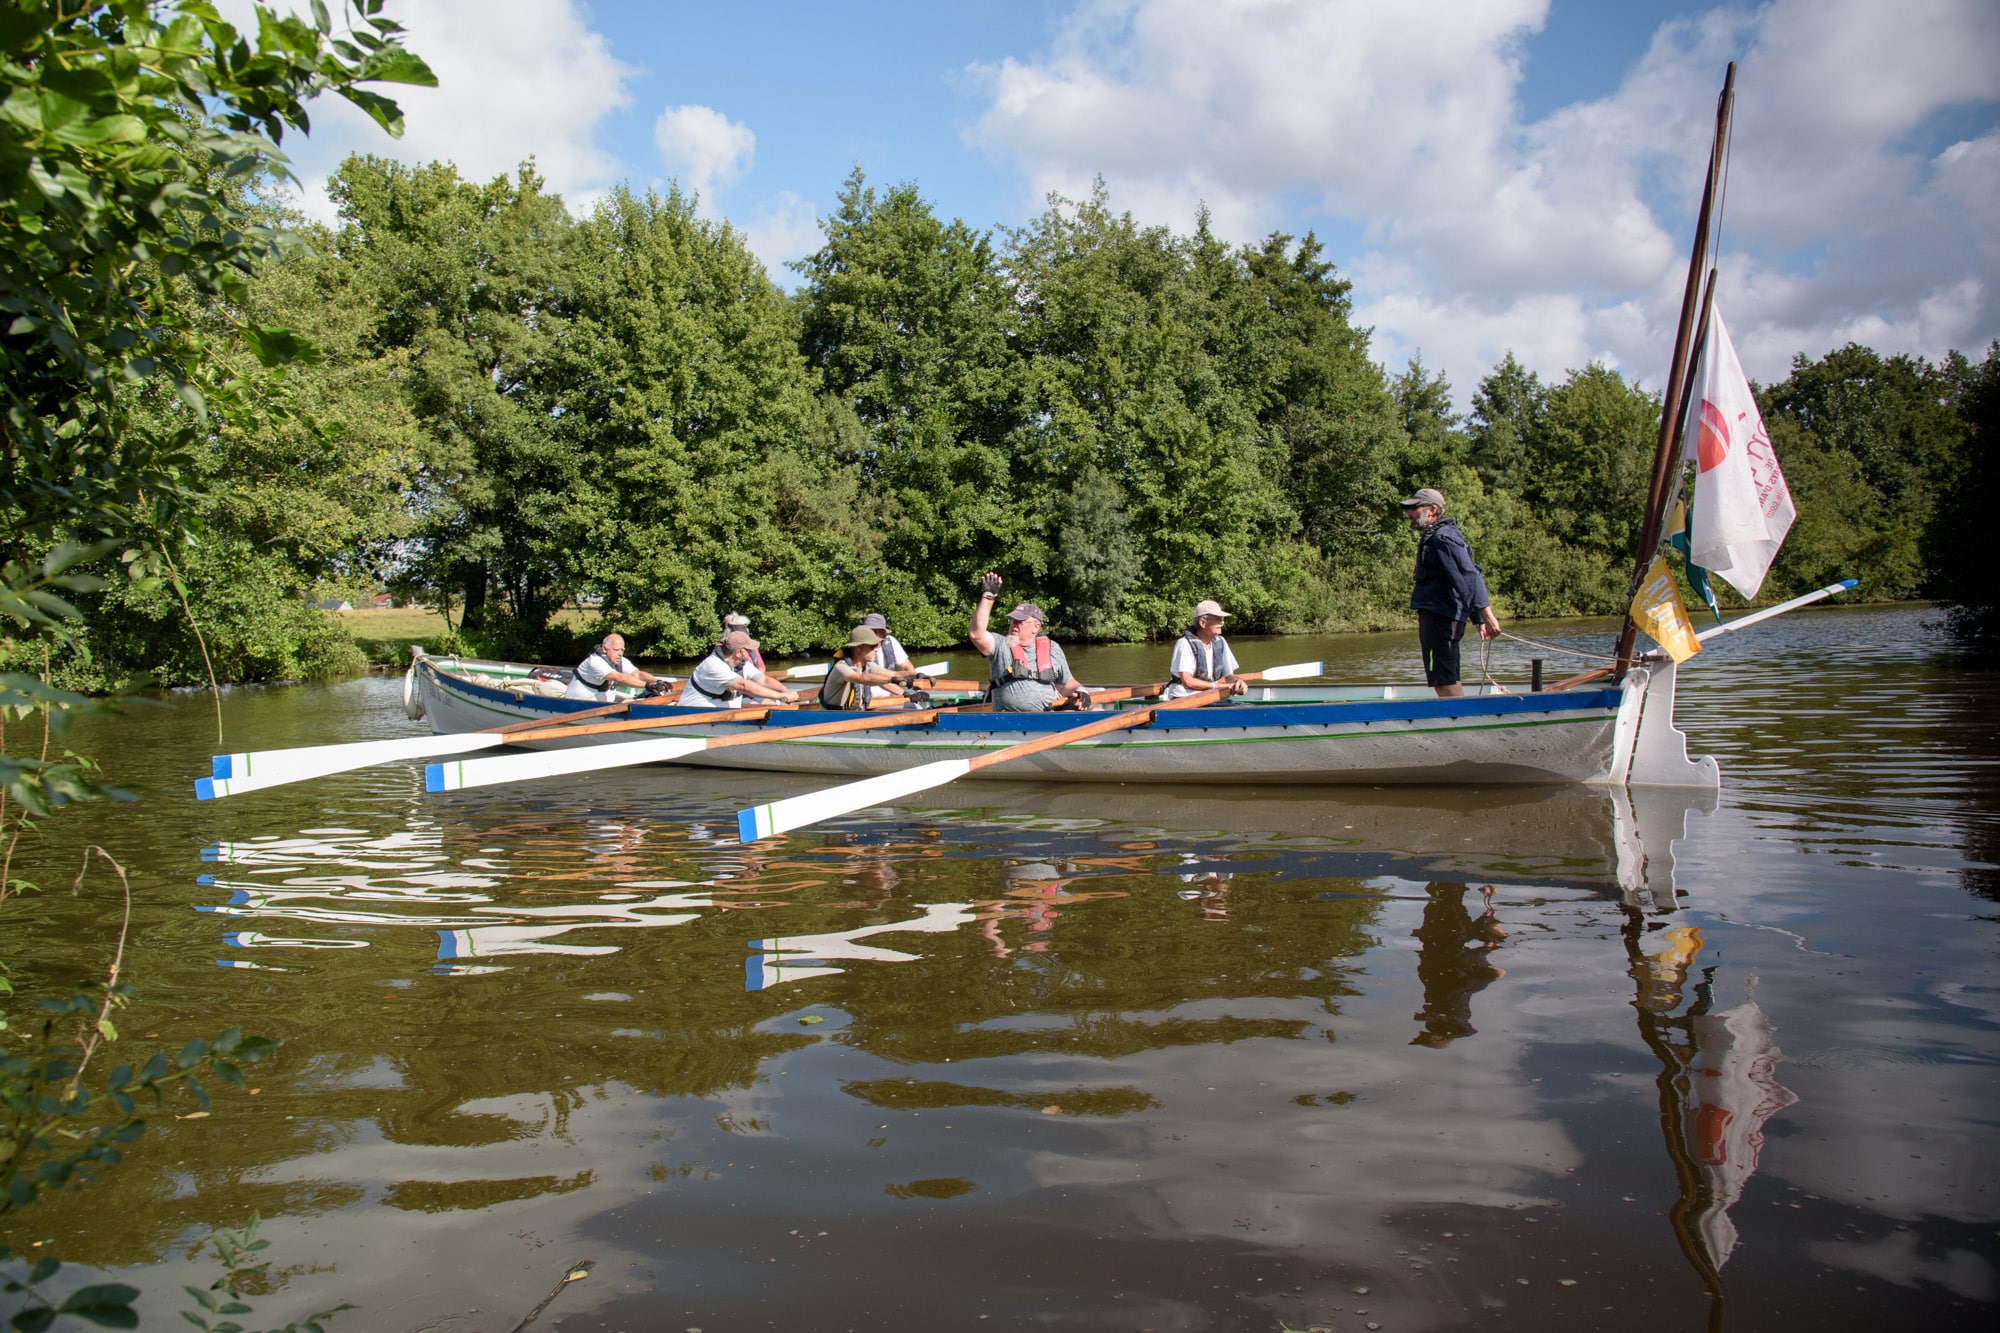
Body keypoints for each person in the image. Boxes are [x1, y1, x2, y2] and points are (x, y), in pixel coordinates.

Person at [1401, 487, 1501, 698]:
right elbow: (1458, 580)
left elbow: (1468, 575)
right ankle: (1459, 718)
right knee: (1444, 677)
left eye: (1415, 508)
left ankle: (1460, 722)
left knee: (1443, 679)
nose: (1409, 514)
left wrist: (1486, 615)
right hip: (1439, 616)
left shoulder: (1442, 538)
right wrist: (1476, 617)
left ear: (1433, 510)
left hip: (1441, 618)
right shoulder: (1436, 536)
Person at [968, 573, 1090, 712]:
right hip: (1008, 719)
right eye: (1012, 620)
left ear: (1036, 627)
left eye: (1020, 621)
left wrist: (1081, 691)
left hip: (1047, 717)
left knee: (1091, 712)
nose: (1014, 624)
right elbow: (976, 634)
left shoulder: (1052, 648)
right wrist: (988, 596)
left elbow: (1066, 684)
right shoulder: (1001, 645)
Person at [682, 630, 803, 709]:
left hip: (723, 712)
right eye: (749, 650)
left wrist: (784, 690)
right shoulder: (714, 665)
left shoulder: (741, 663)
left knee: (767, 705)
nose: (752, 653)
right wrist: (779, 696)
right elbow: (743, 686)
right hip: (692, 714)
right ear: (739, 652)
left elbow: (763, 680)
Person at [1164, 599, 1248, 700]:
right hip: (1184, 698)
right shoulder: (1184, 644)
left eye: (1222, 619)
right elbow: (1187, 682)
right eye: (1218, 618)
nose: (1222, 622)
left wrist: (1238, 682)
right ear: (1203, 623)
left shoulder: (1220, 641)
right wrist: (1219, 686)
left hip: (1210, 697)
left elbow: (1230, 676)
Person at [819, 626, 912, 710]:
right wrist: (893, 680)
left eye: (877, 645)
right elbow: (862, 679)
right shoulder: (841, 667)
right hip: (831, 718)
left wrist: (916, 675)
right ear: (859, 647)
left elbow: (895, 674)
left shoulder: (867, 665)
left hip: (852, 716)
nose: (877, 649)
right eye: (872, 646)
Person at [564, 633, 660, 702]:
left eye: (622, 650)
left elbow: (638, 674)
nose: (620, 654)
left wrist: (656, 682)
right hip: (578, 704)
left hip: (605, 704)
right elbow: (620, 678)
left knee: (635, 701)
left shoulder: (620, 660)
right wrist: (647, 685)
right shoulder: (594, 662)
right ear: (605, 649)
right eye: (616, 650)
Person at [858, 612, 928, 682]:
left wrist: (915, 676)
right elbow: (867, 677)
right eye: (871, 630)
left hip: (890, 687)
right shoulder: (860, 646)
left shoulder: (890, 641)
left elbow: (906, 666)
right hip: (870, 689)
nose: (883, 634)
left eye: (882, 632)